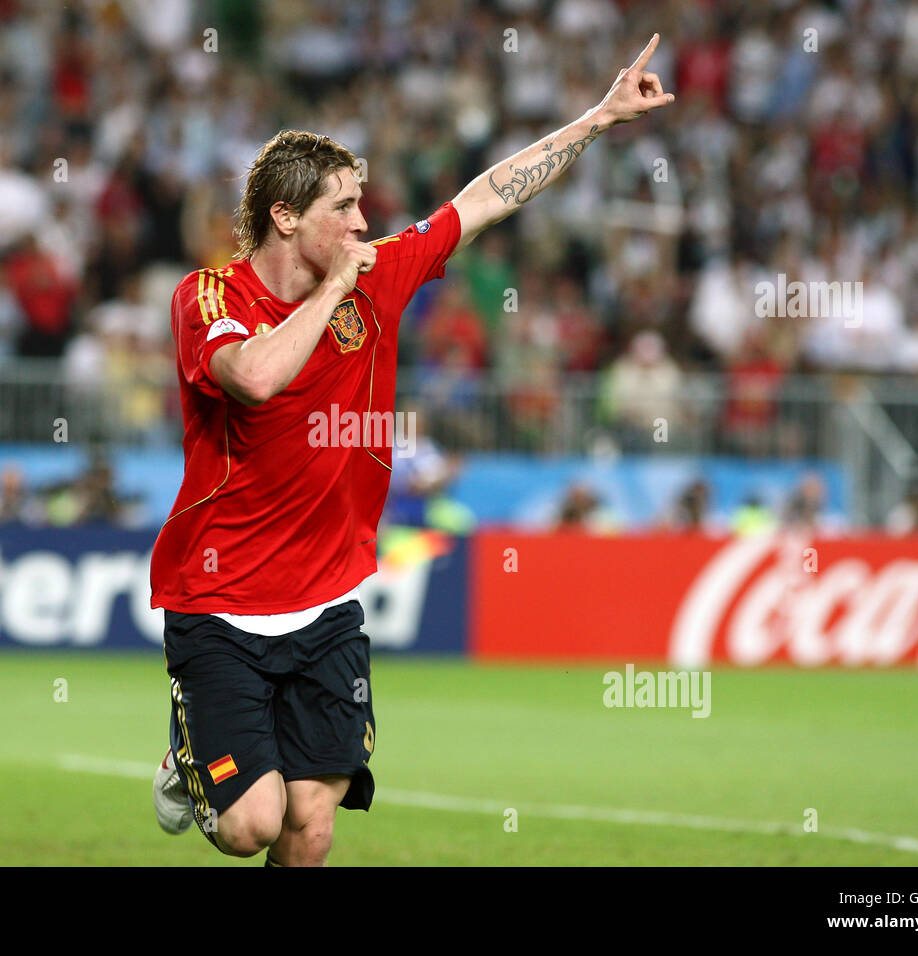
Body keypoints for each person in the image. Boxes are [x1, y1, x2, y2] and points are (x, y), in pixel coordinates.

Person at [149, 36, 675, 867]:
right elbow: (254, 378)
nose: (364, 223)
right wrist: (332, 290)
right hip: (219, 605)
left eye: (363, 204)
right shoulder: (209, 295)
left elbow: (486, 199)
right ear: (285, 218)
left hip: (326, 603)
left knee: (310, 828)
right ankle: (190, 756)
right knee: (250, 827)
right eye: (343, 207)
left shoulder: (378, 274)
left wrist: (599, 119)